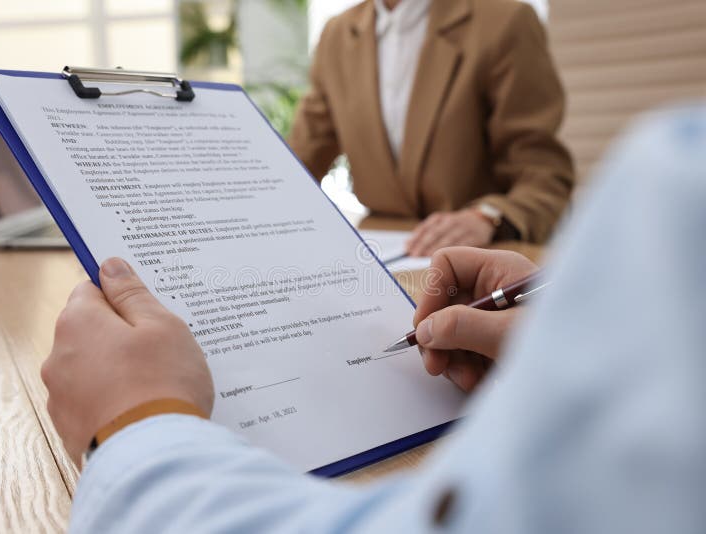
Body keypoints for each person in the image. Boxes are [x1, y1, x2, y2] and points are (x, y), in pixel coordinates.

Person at [43, 104, 706, 533]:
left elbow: (542, 166)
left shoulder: (671, 178)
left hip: (448, 241)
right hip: (390, 251)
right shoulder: (344, 35)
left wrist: (135, 427)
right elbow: (287, 163)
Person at [288, 0, 575, 256]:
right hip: (379, 256)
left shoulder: (505, 21)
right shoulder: (337, 35)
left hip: (479, 256)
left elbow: (544, 175)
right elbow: (297, 162)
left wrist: (488, 217)